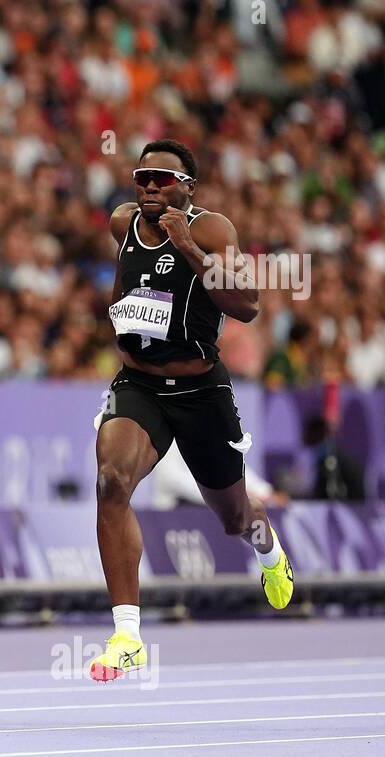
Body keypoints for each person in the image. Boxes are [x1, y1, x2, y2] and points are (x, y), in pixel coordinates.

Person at [90, 140, 294, 682]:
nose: (151, 187)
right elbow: (124, 285)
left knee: (232, 520)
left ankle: (268, 546)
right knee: (111, 481)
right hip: (140, 387)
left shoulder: (211, 230)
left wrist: (189, 249)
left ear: (188, 187)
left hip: (202, 392)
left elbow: (247, 306)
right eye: (143, 178)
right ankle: (127, 635)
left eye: (163, 179)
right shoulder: (122, 223)